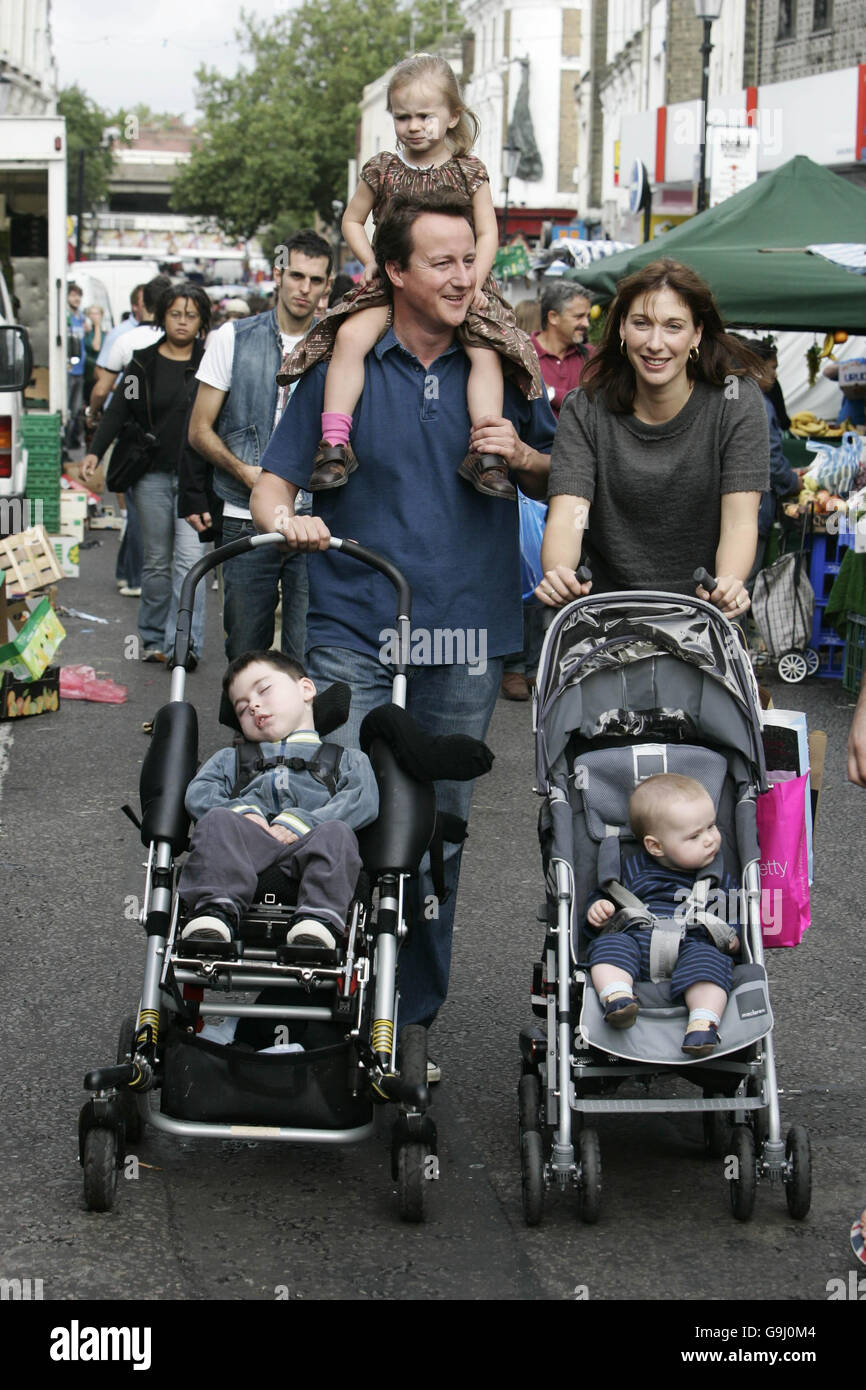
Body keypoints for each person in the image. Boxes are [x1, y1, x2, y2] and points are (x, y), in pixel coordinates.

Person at [250, 189, 556, 1043]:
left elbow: (561, 480)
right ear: (394, 271)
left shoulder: (501, 360)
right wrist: (284, 520)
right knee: (335, 812)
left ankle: (407, 1018)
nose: (464, 278)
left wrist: (525, 455)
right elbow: (275, 479)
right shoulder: (343, 363)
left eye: (471, 259)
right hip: (349, 622)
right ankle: (324, 1003)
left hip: (462, 631)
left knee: (437, 831)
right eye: (443, 262)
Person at [280, 52, 543, 502]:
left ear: (452, 115)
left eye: (425, 115)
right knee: (349, 339)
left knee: (484, 352)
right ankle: (334, 443)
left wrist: (475, 281)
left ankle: (487, 453)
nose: (414, 126)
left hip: (462, 284)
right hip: (394, 281)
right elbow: (352, 221)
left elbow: (487, 232)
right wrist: (368, 261)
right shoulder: (383, 169)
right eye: (403, 117)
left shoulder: (468, 170)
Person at [536, 258, 770, 617]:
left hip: (700, 617)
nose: (655, 343)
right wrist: (559, 573)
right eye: (641, 324)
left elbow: (740, 520)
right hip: (604, 621)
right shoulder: (585, 407)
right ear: (622, 330)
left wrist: (729, 583)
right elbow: (570, 513)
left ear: (696, 334)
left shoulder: (735, 401)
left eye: (673, 326)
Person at [186, 230, 333, 662]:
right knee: (245, 640)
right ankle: (247, 729)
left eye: (317, 280)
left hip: (315, 517)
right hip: (242, 511)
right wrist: (246, 472)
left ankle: (299, 730)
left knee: (310, 643)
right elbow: (199, 429)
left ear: (327, 286)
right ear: (278, 274)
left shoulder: (336, 346)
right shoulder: (233, 337)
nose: (305, 289)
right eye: (297, 276)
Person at [179, 651, 379, 951]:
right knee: (217, 821)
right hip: (245, 845)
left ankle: (318, 920)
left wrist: (304, 821)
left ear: (306, 689)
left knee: (339, 832)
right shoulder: (230, 759)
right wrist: (241, 812)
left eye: (264, 689)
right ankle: (214, 910)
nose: (254, 706)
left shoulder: (346, 759)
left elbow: (362, 799)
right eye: (243, 708)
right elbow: (200, 791)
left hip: (311, 843)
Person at [82, 283, 212, 665]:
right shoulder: (142, 363)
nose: (183, 322)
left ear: (202, 320)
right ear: (162, 316)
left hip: (196, 481)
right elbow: (119, 411)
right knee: (156, 561)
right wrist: (94, 452)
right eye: (175, 314)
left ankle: (184, 645)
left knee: (192, 562)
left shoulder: (211, 361)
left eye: (191, 315)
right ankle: (153, 639)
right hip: (151, 477)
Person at [586, 774, 739, 1057]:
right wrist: (600, 911)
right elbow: (609, 896)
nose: (710, 840)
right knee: (607, 947)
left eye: (711, 826)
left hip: (692, 947)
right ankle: (618, 997)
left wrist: (732, 935)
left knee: (712, 963)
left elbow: (731, 911)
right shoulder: (633, 870)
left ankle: (703, 1022)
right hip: (636, 943)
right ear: (655, 846)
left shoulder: (716, 877)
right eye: (695, 836)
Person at [531, 281, 594, 417]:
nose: (586, 323)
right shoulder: (523, 355)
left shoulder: (592, 357)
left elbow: (596, 407)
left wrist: (550, 393)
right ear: (553, 317)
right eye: (579, 316)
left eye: (587, 316)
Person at [65, 284, 86, 450]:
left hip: (80, 370)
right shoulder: (66, 316)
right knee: (68, 410)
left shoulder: (81, 318)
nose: (76, 299)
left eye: (78, 296)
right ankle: (65, 444)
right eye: (73, 295)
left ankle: (71, 441)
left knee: (76, 409)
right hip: (69, 370)